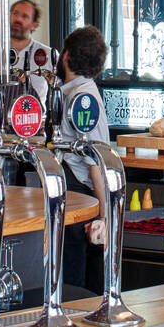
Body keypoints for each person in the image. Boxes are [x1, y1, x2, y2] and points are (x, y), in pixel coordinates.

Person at [57, 24, 111, 290]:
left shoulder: (83, 99)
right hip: (72, 194)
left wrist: (104, 215)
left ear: (65, 56)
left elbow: (96, 164)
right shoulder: (70, 93)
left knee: (73, 281)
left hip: (79, 196)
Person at [9, 0, 53, 102]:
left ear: (34, 25)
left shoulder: (47, 54)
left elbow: (63, 88)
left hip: (36, 117)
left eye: (24, 16)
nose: (18, 19)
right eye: (15, 13)